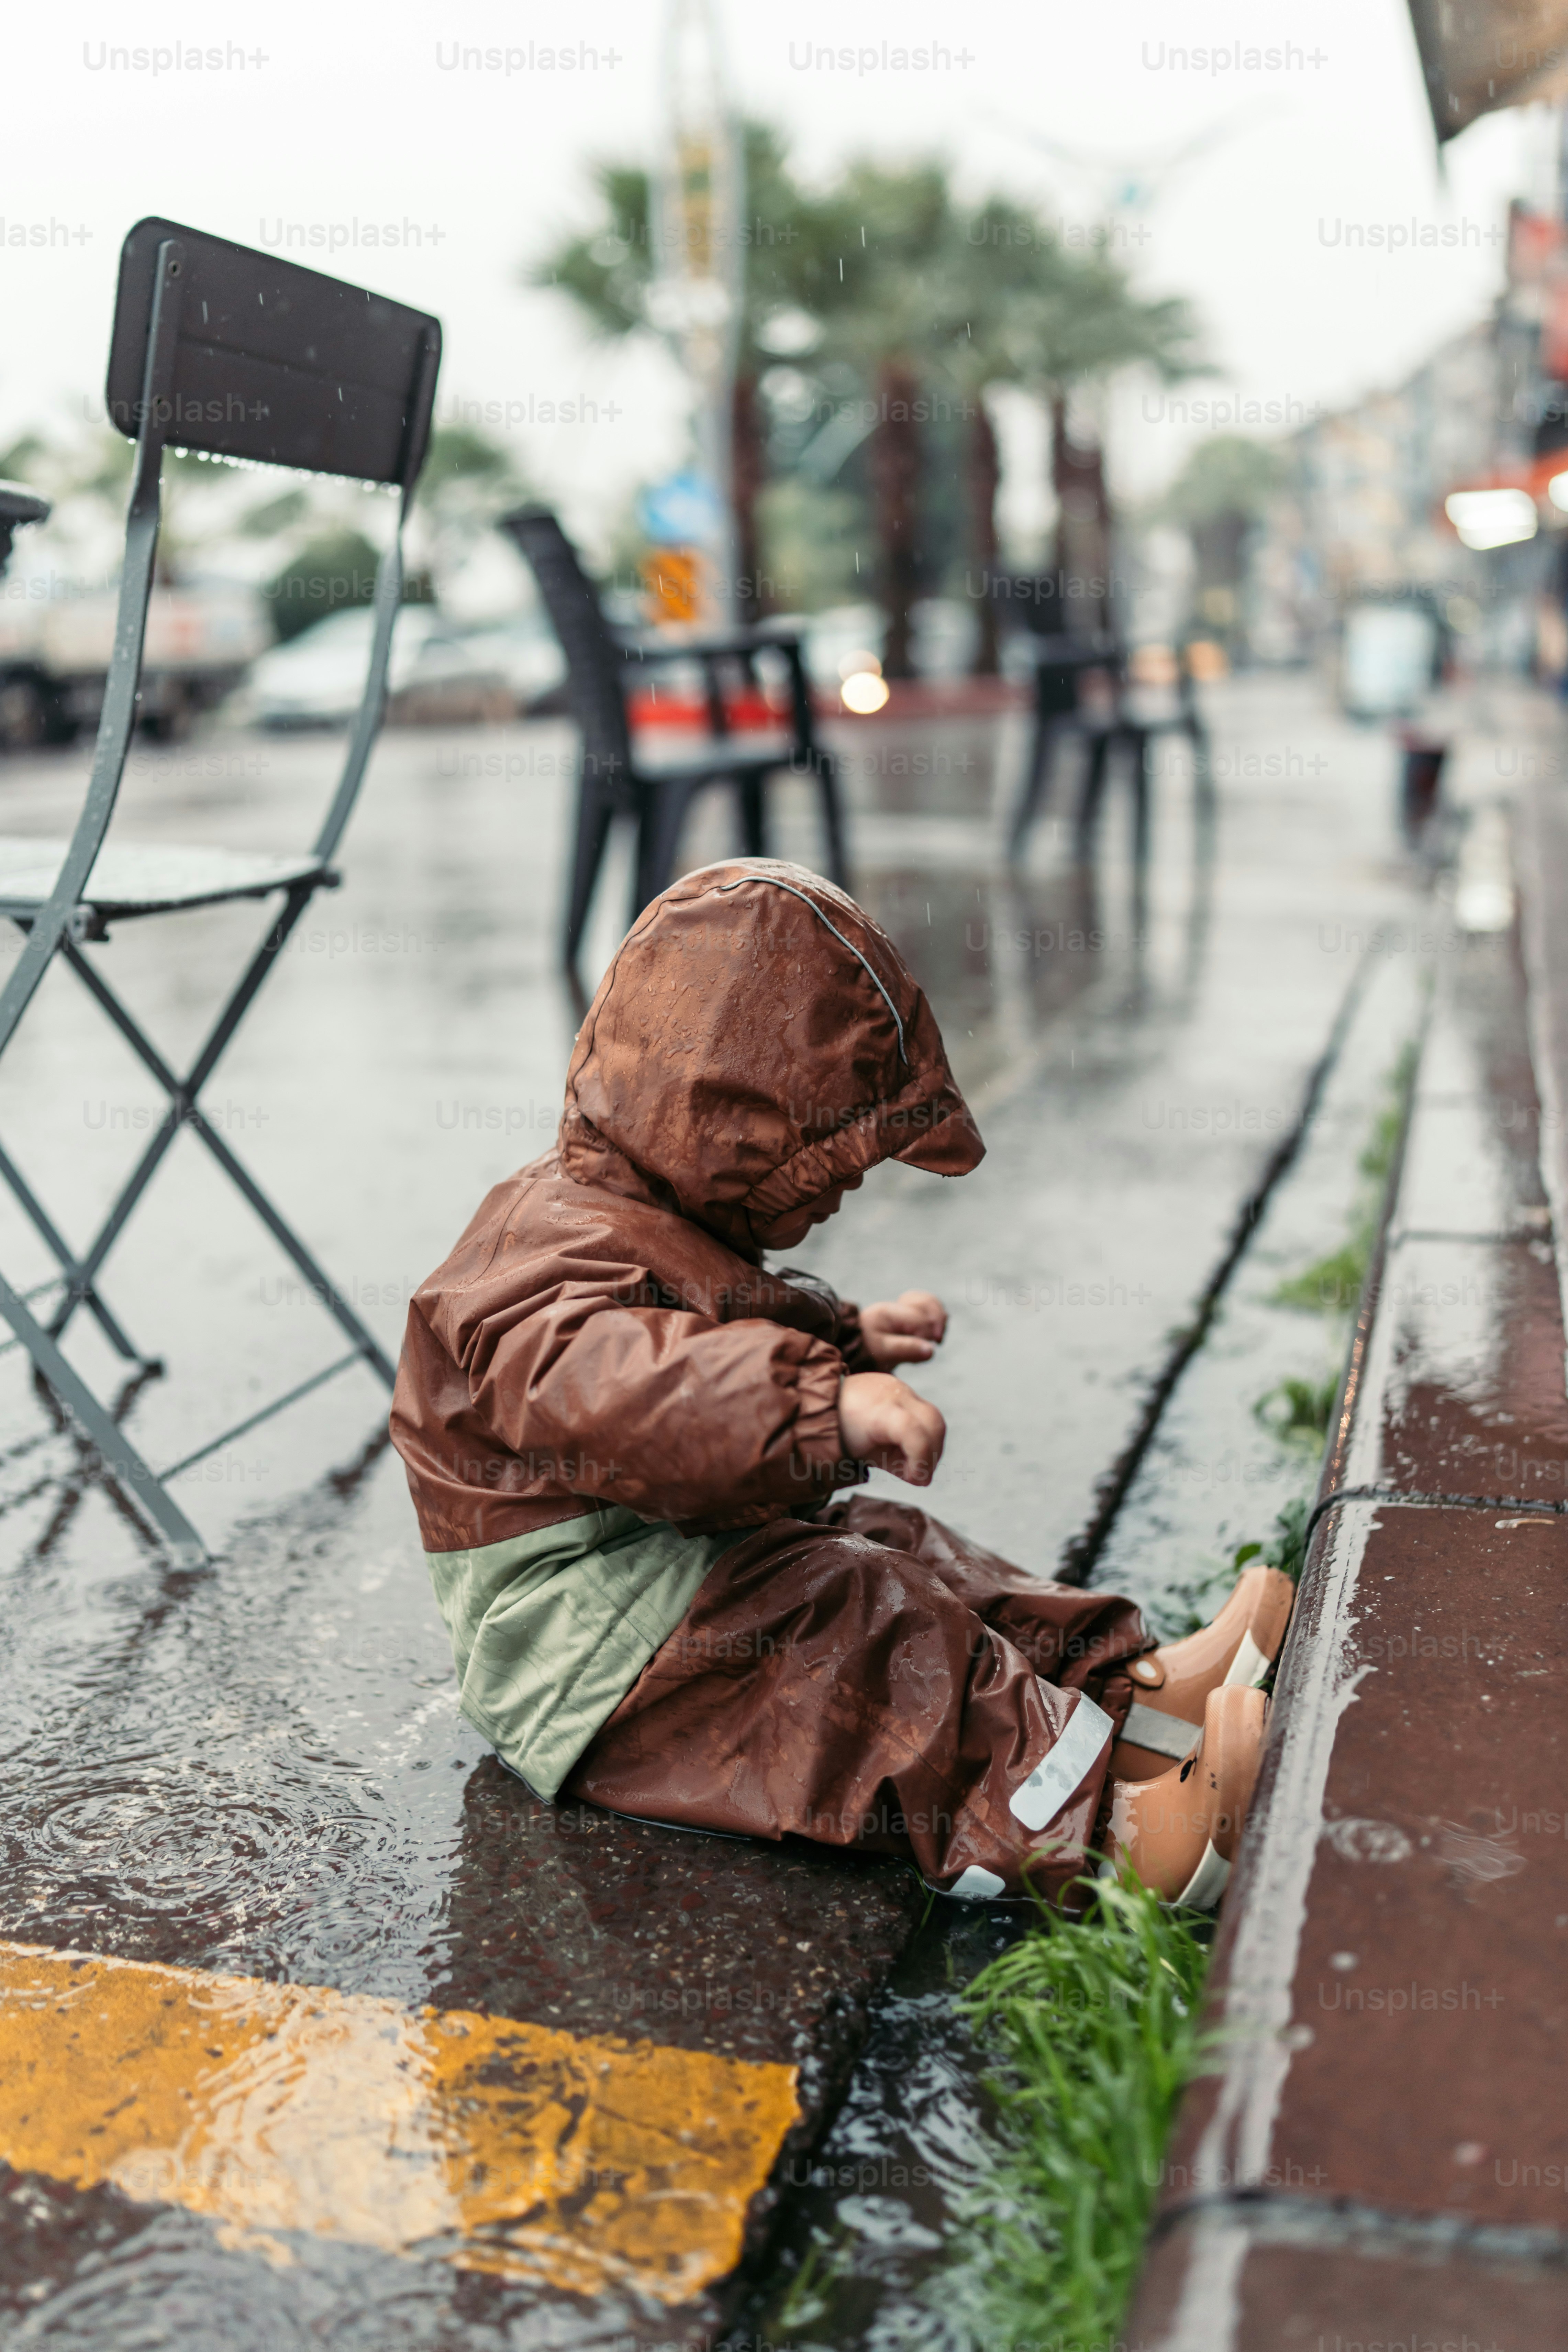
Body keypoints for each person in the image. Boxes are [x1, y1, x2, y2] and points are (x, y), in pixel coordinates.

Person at [391, 859, 1291, 1908]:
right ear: (727, 1119)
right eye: (821, 1165)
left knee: (899, 1544)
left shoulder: (649, 1204)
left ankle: (1130, 1699)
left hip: (669, 1577)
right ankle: (1106, 1833)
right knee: (865, 1621)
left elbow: (721, 1322)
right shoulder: (535, 1255)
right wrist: (821, 1404)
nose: (839, 1194)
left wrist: (846, 1334)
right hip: (587, 1661)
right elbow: (628, 1392)